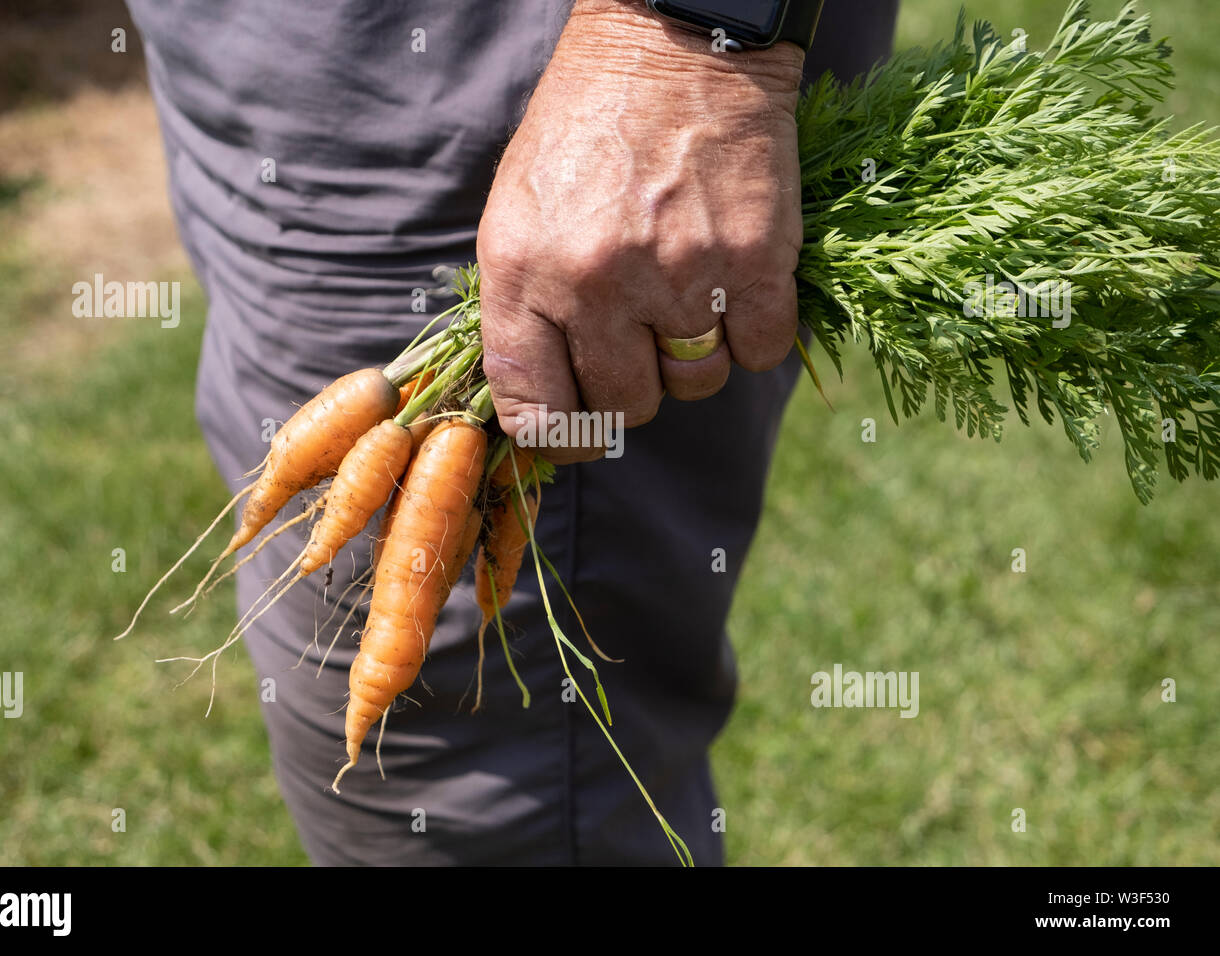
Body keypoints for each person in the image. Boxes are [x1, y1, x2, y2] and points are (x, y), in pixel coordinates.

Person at [126, 0, 898, 864]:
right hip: (263, 62)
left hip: (528, 73)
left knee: (471, 765)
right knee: (348, 669)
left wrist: (680, 42)